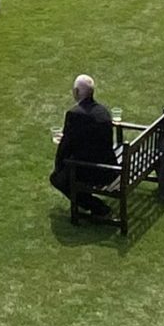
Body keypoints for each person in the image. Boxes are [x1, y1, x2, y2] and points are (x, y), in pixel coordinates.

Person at [50, 74, 117, 218]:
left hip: (93, 171)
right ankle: (94, 204)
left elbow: (65, 149)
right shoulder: (103, 110)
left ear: (75, 92)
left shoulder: (74, 114)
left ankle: (98, 207)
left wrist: (58, 167)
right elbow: (90, 138)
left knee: (57, 178)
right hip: (109, 166)